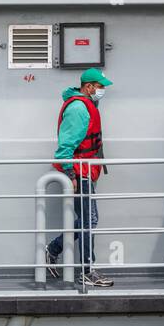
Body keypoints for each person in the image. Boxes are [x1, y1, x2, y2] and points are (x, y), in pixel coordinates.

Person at [46, 68, 114, 287]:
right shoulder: (78, 109)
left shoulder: (87, 104)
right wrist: (70, 173)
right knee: (89, 219)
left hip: (86, 170)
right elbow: (65, 147)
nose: (102, 90)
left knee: (87, 219)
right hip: (79, 171)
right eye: (100, 86)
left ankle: (54, 249)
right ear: (89, 87)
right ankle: (86, 270)